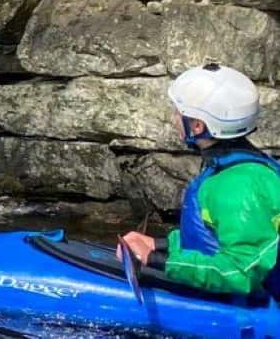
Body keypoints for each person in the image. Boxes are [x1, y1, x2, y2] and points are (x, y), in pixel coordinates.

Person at [118, 63, 280, 297]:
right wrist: (161, 245)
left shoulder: (239, 186)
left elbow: (241, 271)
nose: (174, 119)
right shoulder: (236, 167)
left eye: (179, 113)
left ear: (197, 126)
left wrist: (156, 260)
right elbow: (214, 235)